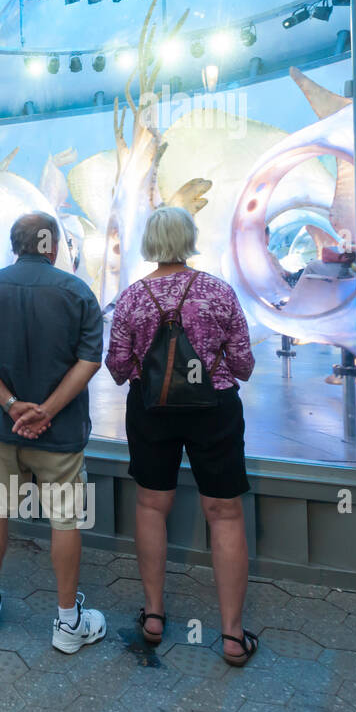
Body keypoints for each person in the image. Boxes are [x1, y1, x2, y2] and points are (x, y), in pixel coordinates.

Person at [106, 206, 258, 666]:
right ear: (188, 239)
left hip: (152, 410)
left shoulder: (132, 298)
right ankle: (232, 636)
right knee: (225, 513)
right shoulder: (217, 291)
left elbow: (116, 368)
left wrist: (147, 369)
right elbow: (245, 366)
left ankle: (154, 616)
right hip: (214, 411)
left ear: (150, 243)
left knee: (152, 505)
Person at [0, 212, 106, 654]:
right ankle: (67, 624)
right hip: (60, 434)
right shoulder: (78, 292)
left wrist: (10, 406)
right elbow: (89, 361)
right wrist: (47, 410)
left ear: (14, 245)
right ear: (53, 246)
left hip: (3, 430)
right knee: (66, 520)